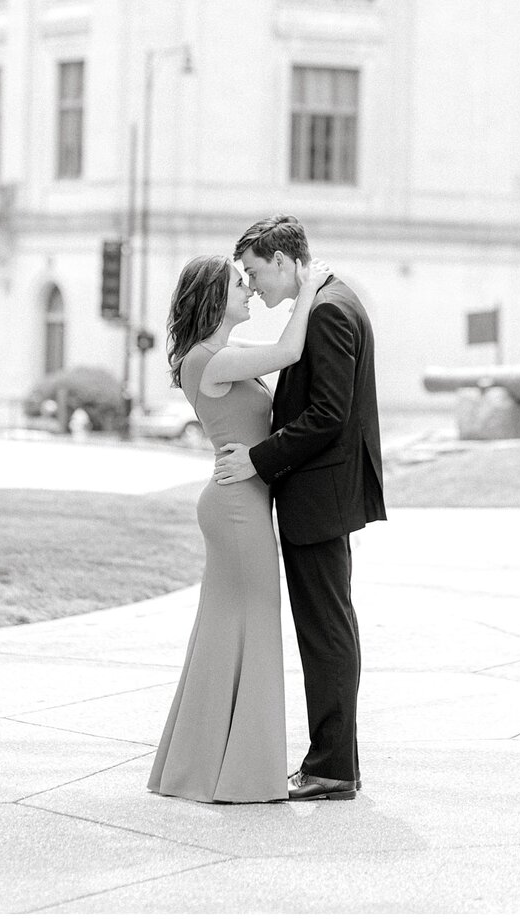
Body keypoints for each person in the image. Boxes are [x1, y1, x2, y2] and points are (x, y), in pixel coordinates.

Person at [148, 252, 331, 804]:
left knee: (228, 634)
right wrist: (307, 291)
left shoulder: (219, 354)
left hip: (240, 503)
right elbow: (290, 351)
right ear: (211, 297)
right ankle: (238, 772)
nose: (248, 289)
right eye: (237, 283)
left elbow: (283, 360)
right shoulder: (207, 359)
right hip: (235, 510)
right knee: (250, 630)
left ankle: (206, 768)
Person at [214, 215, 386, 802]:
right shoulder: (328, 300)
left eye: (257, 272)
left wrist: (259, 460)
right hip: (322, 493)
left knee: (325, 631)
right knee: (331, 626)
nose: (254, 286)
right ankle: (337, 763)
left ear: (285, 262)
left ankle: (332, 768)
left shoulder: (330, 310)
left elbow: (327, 414)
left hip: (319, 495)